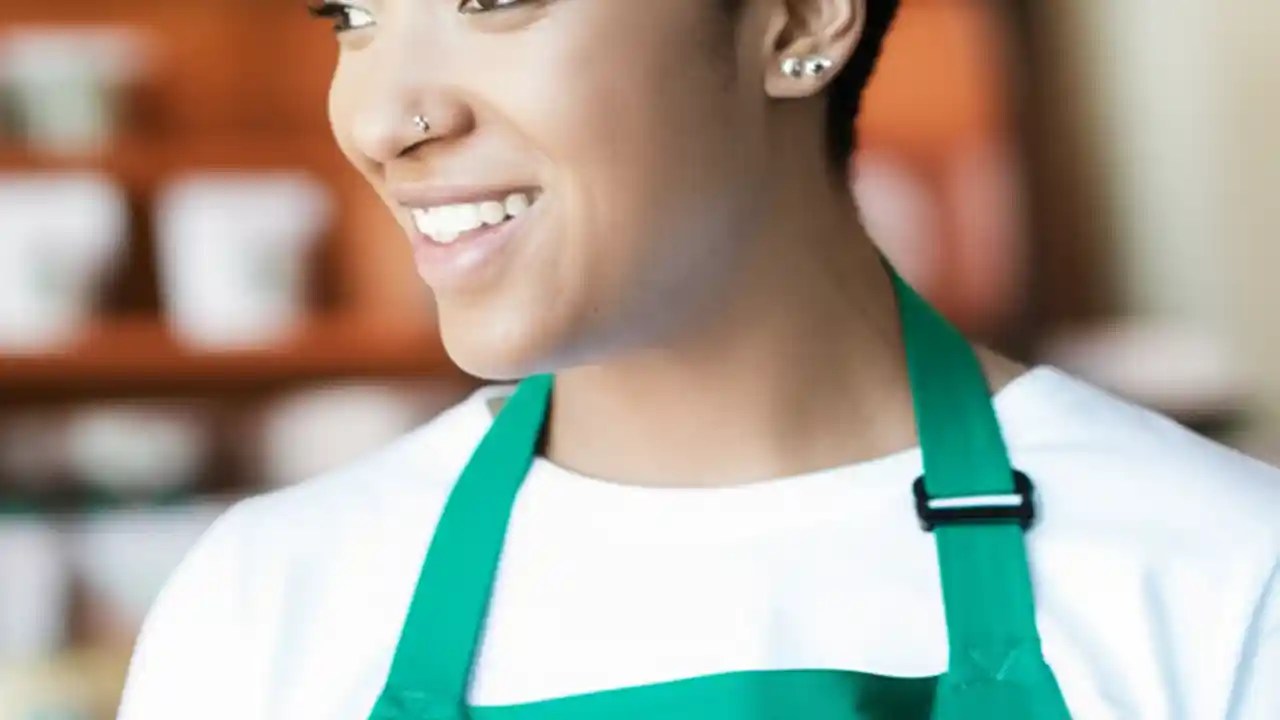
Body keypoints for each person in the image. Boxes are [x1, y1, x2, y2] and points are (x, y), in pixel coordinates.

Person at [117, 1, 1279, 718]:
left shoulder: (1223, 577)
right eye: (350, 14)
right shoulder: (262, 601)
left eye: (497, 0)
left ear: (798, 21)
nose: (382, 121)